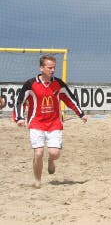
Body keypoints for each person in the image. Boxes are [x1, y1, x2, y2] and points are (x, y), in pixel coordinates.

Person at [12, 55, 88, 188]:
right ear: (41, 68)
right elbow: (20, 101)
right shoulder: (31, 84)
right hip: (36, 123)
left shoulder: (58, 83)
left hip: (54, 123)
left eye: (54, 68)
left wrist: (80, 113)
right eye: (49, 67)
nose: (52, 70)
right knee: (38, 152)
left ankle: (51, 160)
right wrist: (19, 118)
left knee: (54, 153)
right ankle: (37, 180)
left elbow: (70, 98)